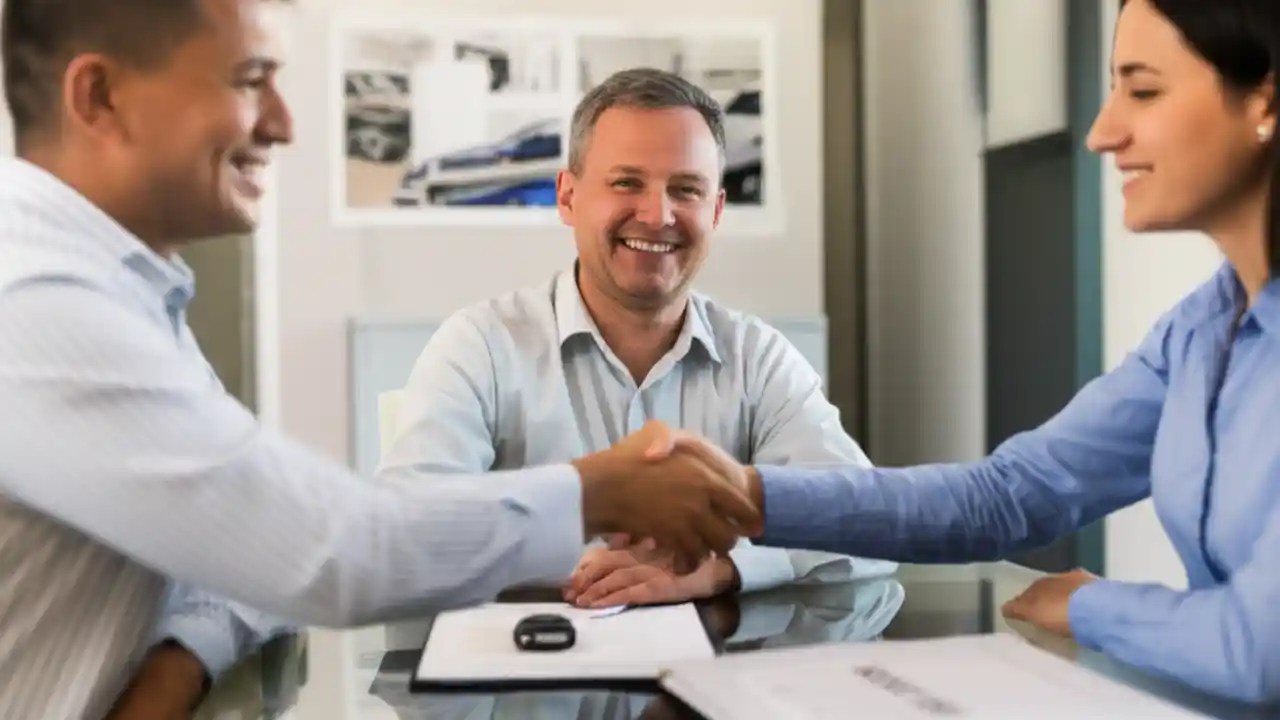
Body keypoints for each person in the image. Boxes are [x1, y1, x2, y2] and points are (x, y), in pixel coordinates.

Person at [0, 1, 759, 717]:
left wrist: (179, 661)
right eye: (251, 80)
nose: (284, 124)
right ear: (100, 97)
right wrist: (599, 491)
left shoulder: (122, 296)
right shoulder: (36, 301)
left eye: (686, 189)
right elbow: (330, 549)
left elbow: (254, 554)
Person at [651, 0, 1280, 703]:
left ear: (1265, 100)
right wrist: (747, 497)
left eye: (1144, 90)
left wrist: (1090, 607)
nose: (1104, 132)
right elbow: (1008, 497)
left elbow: (1259, 648)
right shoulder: (1201, 331)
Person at [377, 67, 891, 616]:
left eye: (686, 189)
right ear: (568, 197)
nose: (657, 214)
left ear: (716, 211)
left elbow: (868, 523)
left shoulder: (758, 359)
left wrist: (718, 567)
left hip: (714, 665)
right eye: (626, 183)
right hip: (529, 663)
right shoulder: (481, 345)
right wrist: (576, 546)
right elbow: (406, 533)